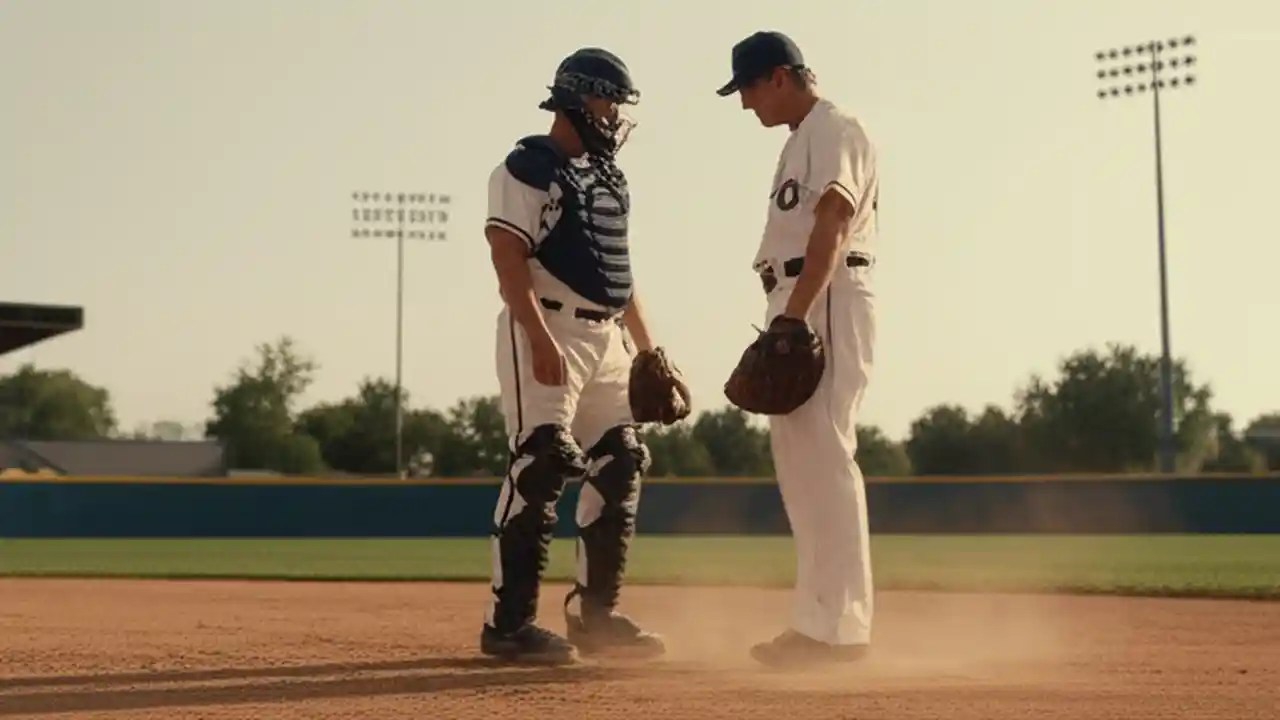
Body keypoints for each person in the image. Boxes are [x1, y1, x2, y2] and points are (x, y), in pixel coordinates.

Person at [479, 47, 669, 665]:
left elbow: (621, 275)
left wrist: (648, 349)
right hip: (547, 324)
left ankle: (596, 615)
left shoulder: (608, 180)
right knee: (540, 461)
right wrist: (538, 337)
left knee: (621, 458)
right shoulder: (526, 168)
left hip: (606, 336)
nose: (614, 116)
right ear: (578, 99)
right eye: (609, 102)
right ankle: (509, 625)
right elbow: (508, 258)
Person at [715, 30, 880, 668]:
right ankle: (815, 622)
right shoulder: (799, 140)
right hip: (798, 297)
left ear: (780, 77)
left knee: (826, 456)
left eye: (749, 88)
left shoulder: (836, 128)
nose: (745, 103)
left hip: (825, 295)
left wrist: (794, 316)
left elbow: (833, 222)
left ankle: (842, 628)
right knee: (800, 466)